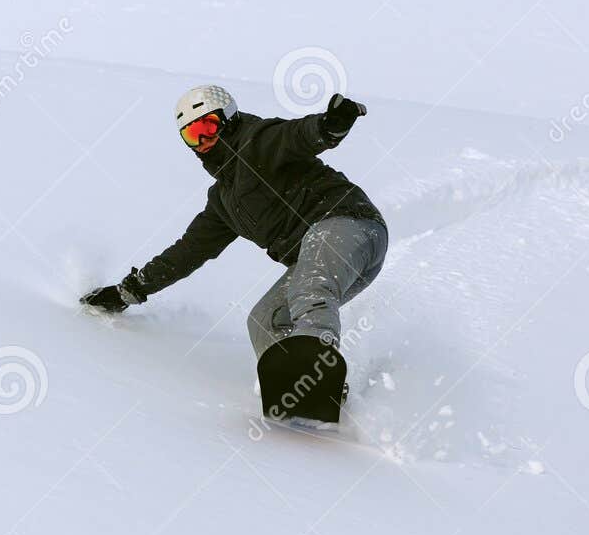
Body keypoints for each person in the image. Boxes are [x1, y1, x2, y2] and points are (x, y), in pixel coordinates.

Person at [81, 84, 388, 367]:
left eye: (207, 126)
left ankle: (317, 369)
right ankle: (299, 388)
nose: (202, 141)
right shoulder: (223, 203)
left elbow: (297, 136)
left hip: (348, 226)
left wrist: (329, 127)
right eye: (192, 135)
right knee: (265, 322)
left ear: (228, 118)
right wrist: (127, 292)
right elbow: (187, 252)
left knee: (311, 287)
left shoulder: (258, 141)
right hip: (331, 263)